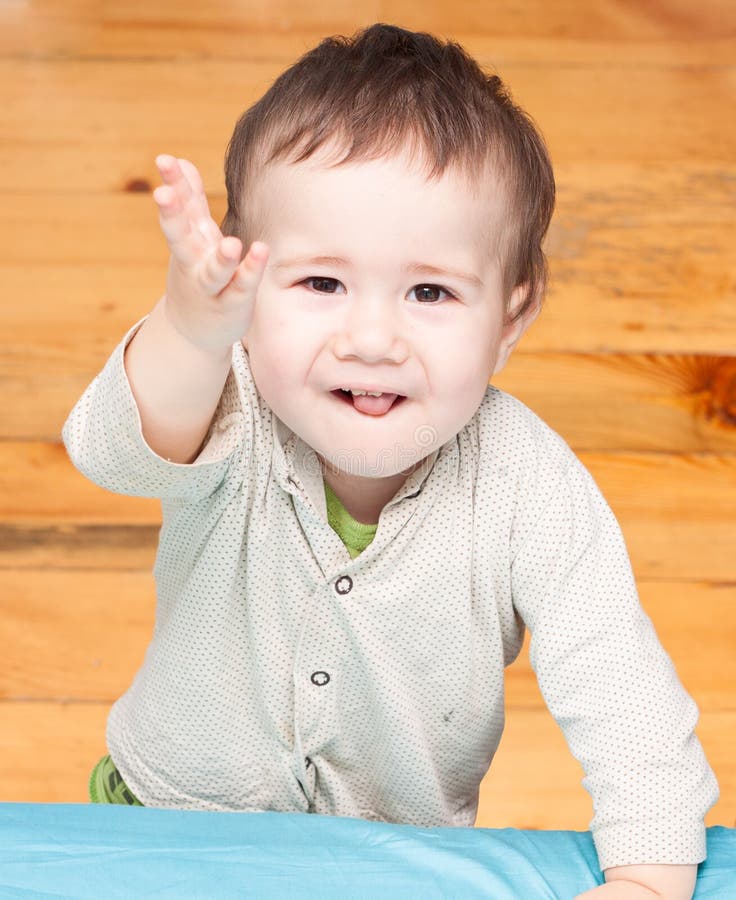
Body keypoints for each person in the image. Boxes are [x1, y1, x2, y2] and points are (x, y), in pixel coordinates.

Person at [62, 23, 717, 899]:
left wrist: (649, 876)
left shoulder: (528, 484)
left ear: (511, 318)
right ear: (247, 291)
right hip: (164, 827)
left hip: (391, 871)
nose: (372, 341)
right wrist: (190, 332)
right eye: (321, 284)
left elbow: (624, 691)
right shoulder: (233, 402)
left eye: (431, 291)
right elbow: (115, 455)